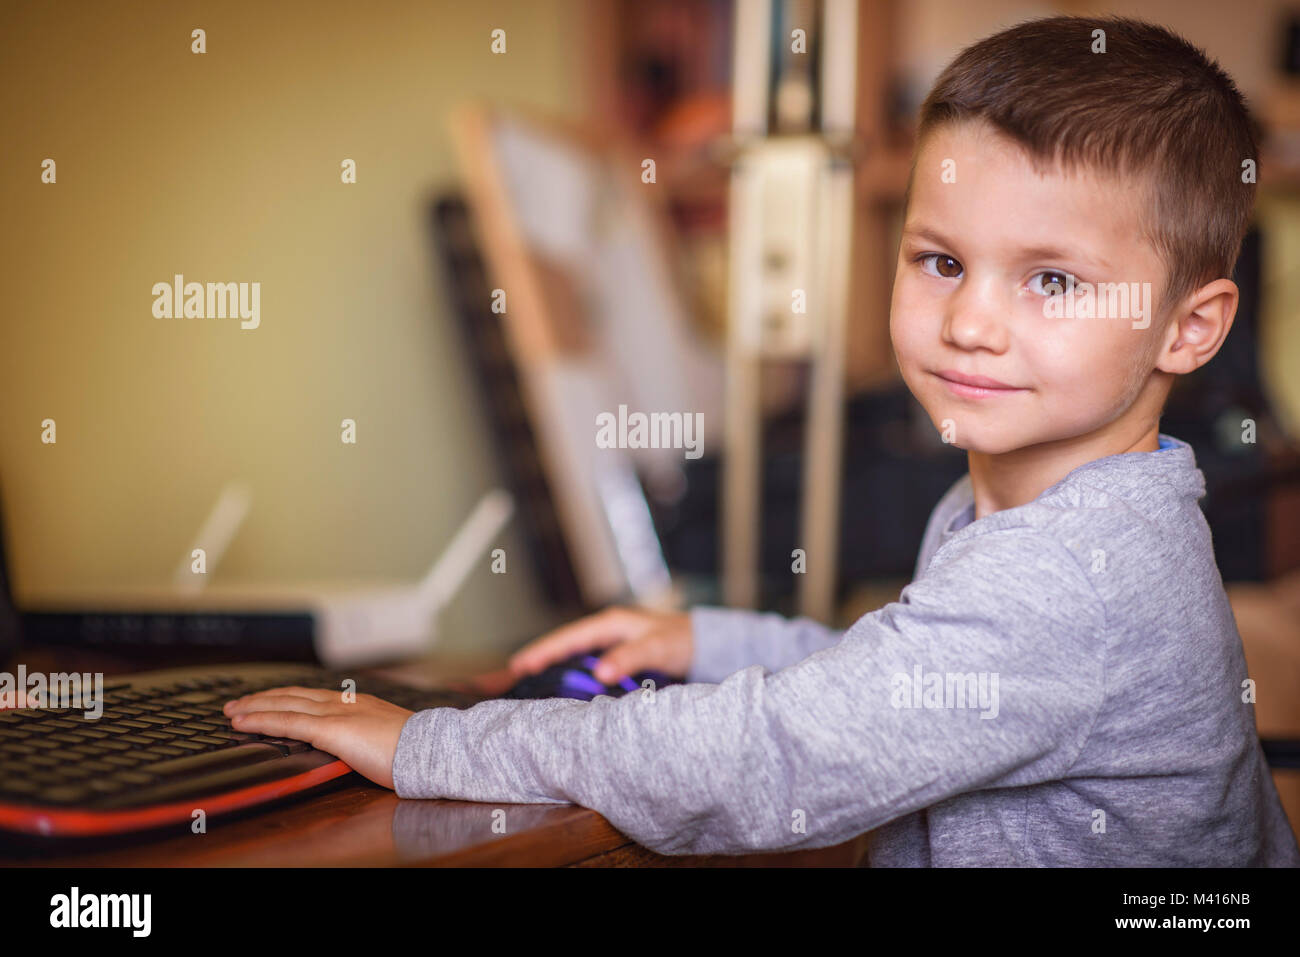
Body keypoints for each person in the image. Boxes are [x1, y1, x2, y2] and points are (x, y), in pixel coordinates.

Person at [223, 15, 1300, 865]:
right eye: (938, 260)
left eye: (1051, 279)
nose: (970, 320)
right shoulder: (1075, 501)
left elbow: (772, 760)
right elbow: (899, 683)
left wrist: (428, 745)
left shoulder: (1074, 576)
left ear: (1189, 328)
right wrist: (708, 645)